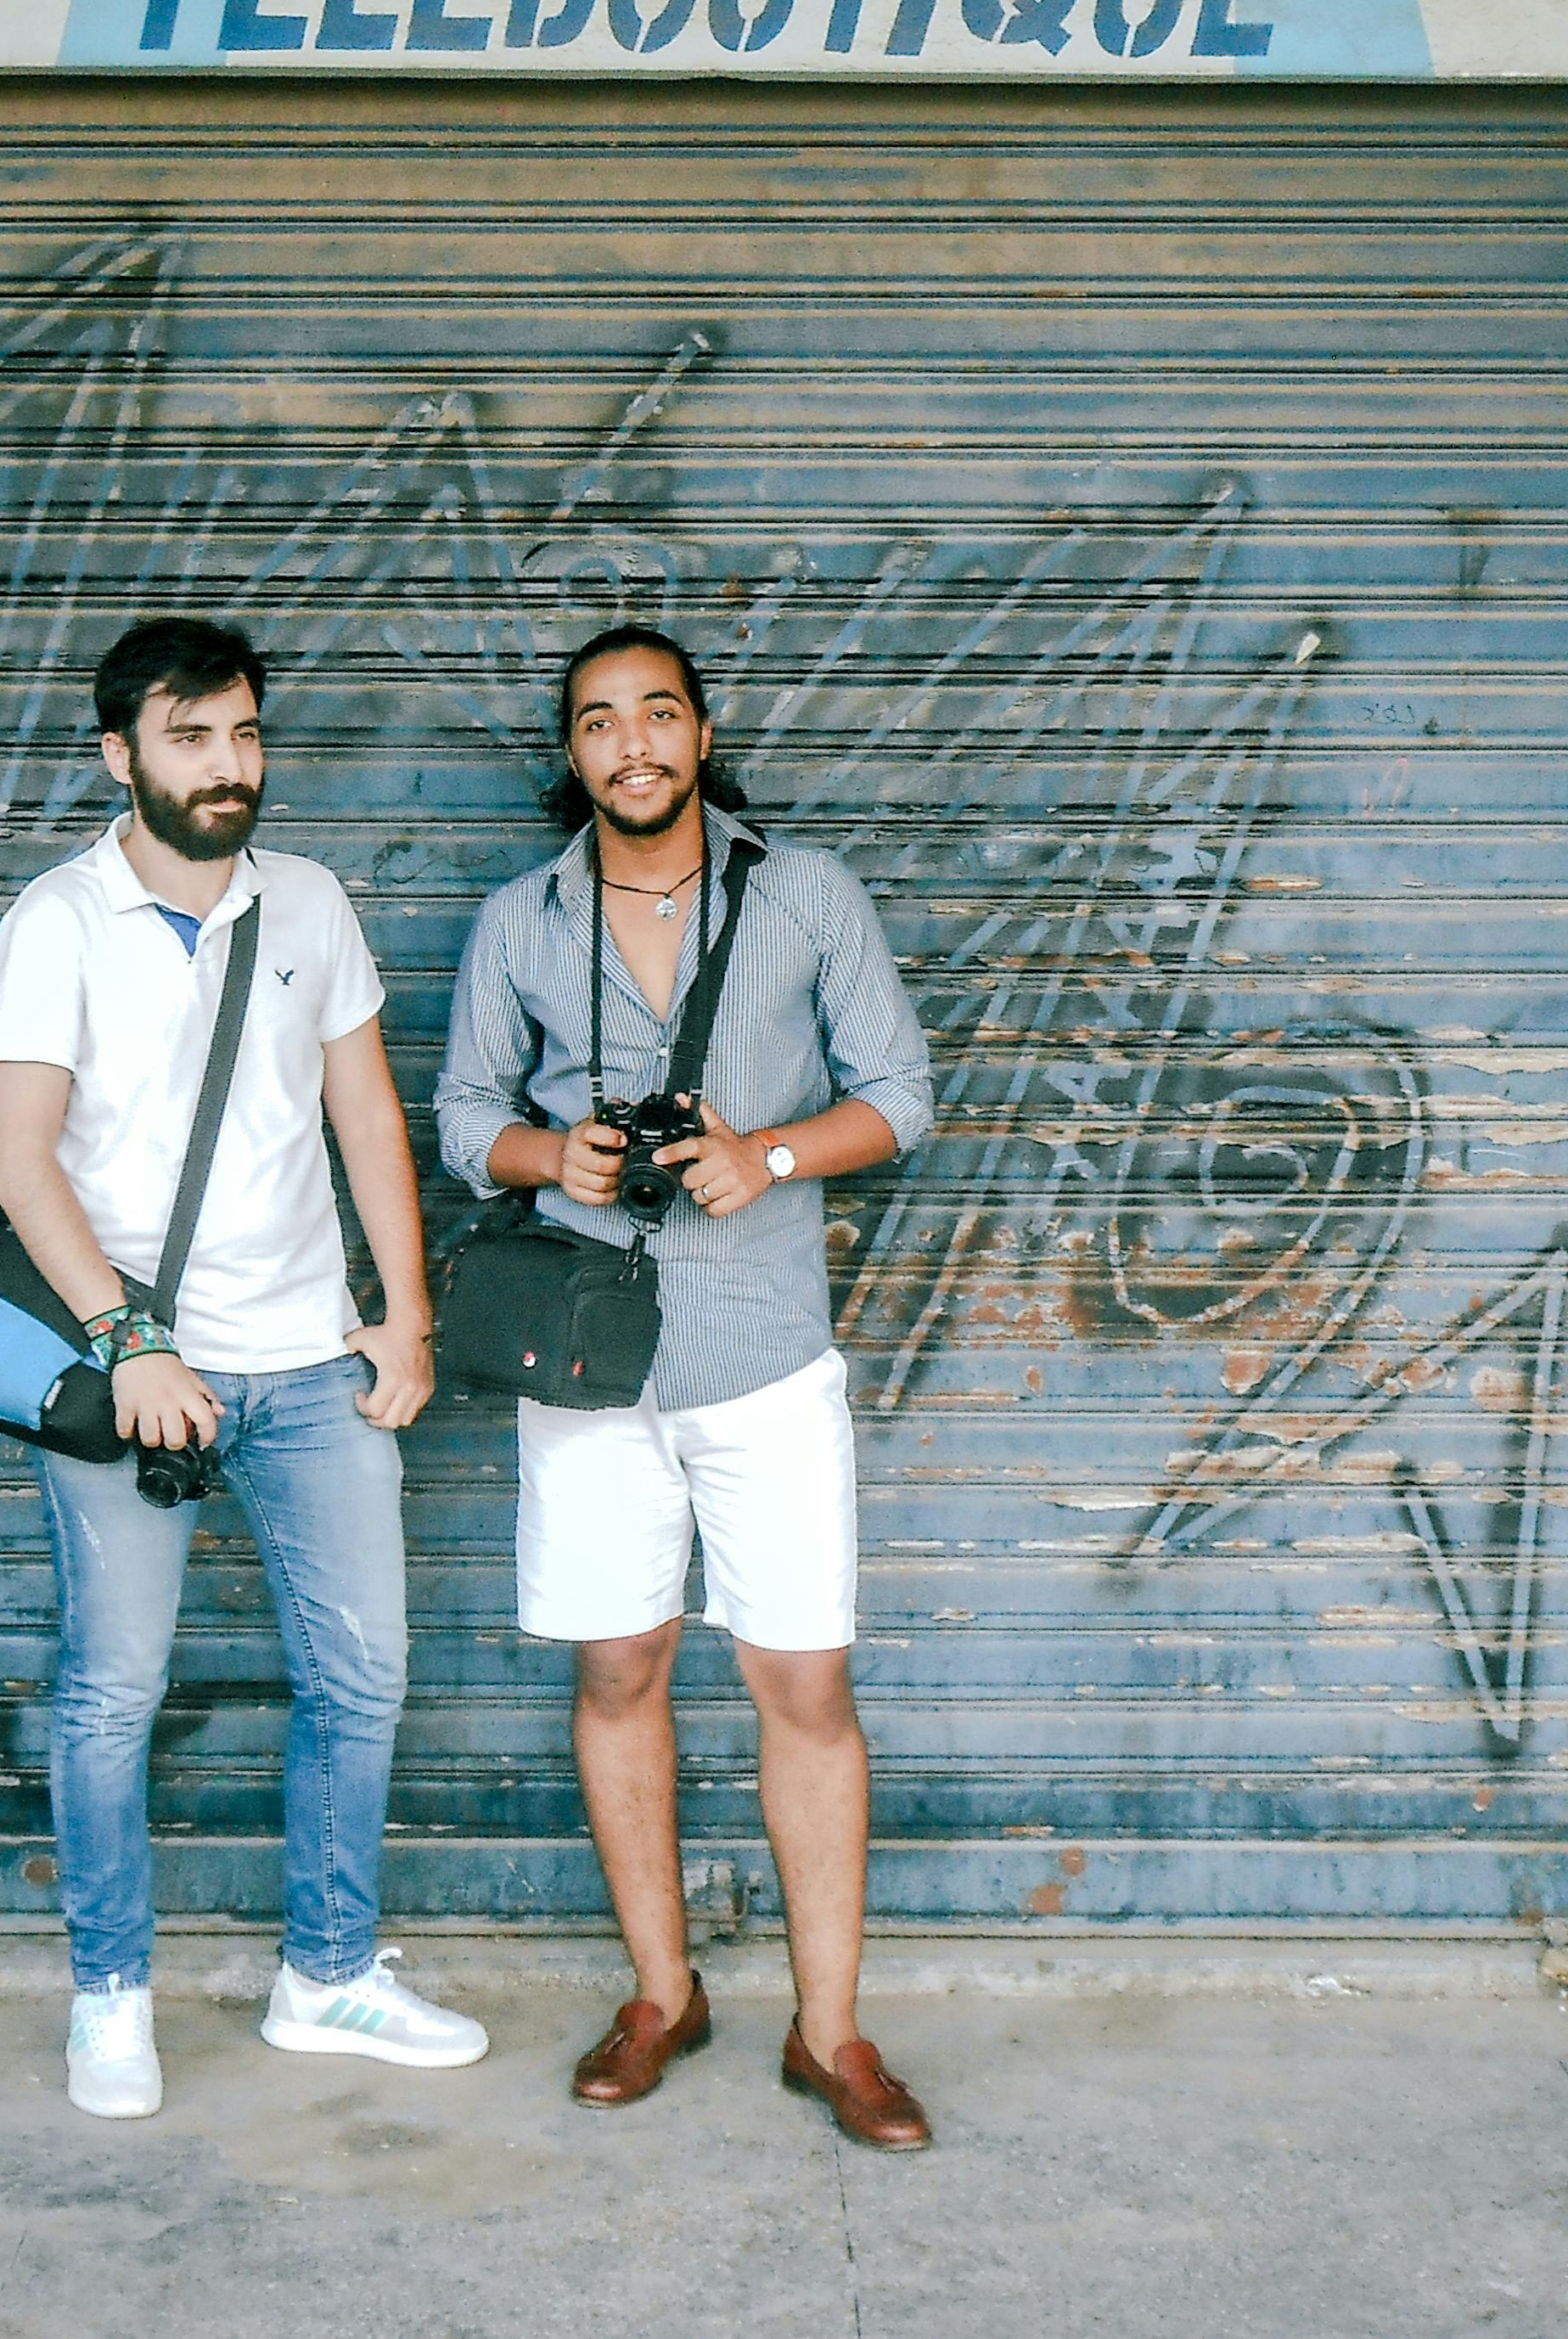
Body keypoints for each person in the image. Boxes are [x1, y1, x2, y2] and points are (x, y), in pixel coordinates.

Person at [435, 623, 940, 2149]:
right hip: (586, 1364)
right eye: (599, 721)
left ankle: (832, 2030)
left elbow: (902, 1095)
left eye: (659, 713)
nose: (632, 743)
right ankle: (662, 1993)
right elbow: (462, 1111)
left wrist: (763, 1153)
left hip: (766, 1354)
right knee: (617, 1672)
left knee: (805, 1684)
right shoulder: (520, 919)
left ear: (702, 734)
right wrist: (551, 1155)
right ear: (572, 753)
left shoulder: (801, 894)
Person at [0, 616, 484, 2120]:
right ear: (119, 754)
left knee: (363, 1671)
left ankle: (326, 1974)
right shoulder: (56, 919)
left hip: (314, 1366)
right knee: (114, 1687)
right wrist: (127, 1336)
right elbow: (19, 1155)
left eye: (245, 734)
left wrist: (402, 1315)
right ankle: (109, 1997)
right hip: (132, 1372)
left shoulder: (308, 905)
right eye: (191, 738)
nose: (226, 765)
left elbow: (369, 1120)